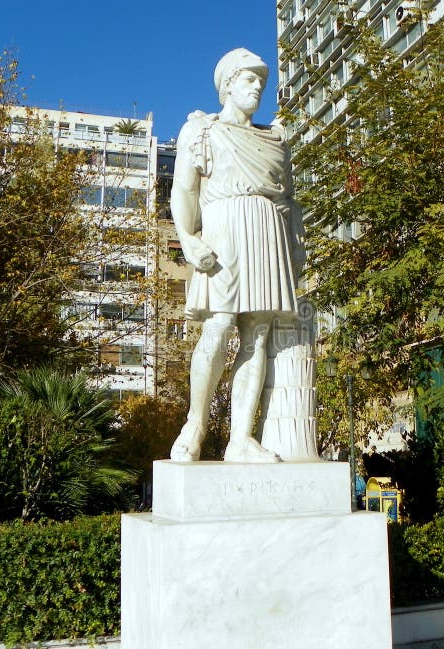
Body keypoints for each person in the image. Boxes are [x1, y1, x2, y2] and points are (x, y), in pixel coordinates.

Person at [169, 48, 306, 463]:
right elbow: (184, 190)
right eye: (249, 80)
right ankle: (195, 425)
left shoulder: (273, 138)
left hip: (266, 234)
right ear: (228, 85)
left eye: (261, 82)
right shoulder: (202, 131)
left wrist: (295, 250)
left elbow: (289, 200)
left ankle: (241, 438)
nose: (258, 88)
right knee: (219, 325)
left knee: (258, 334)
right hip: (223, 229)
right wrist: (187, 239)